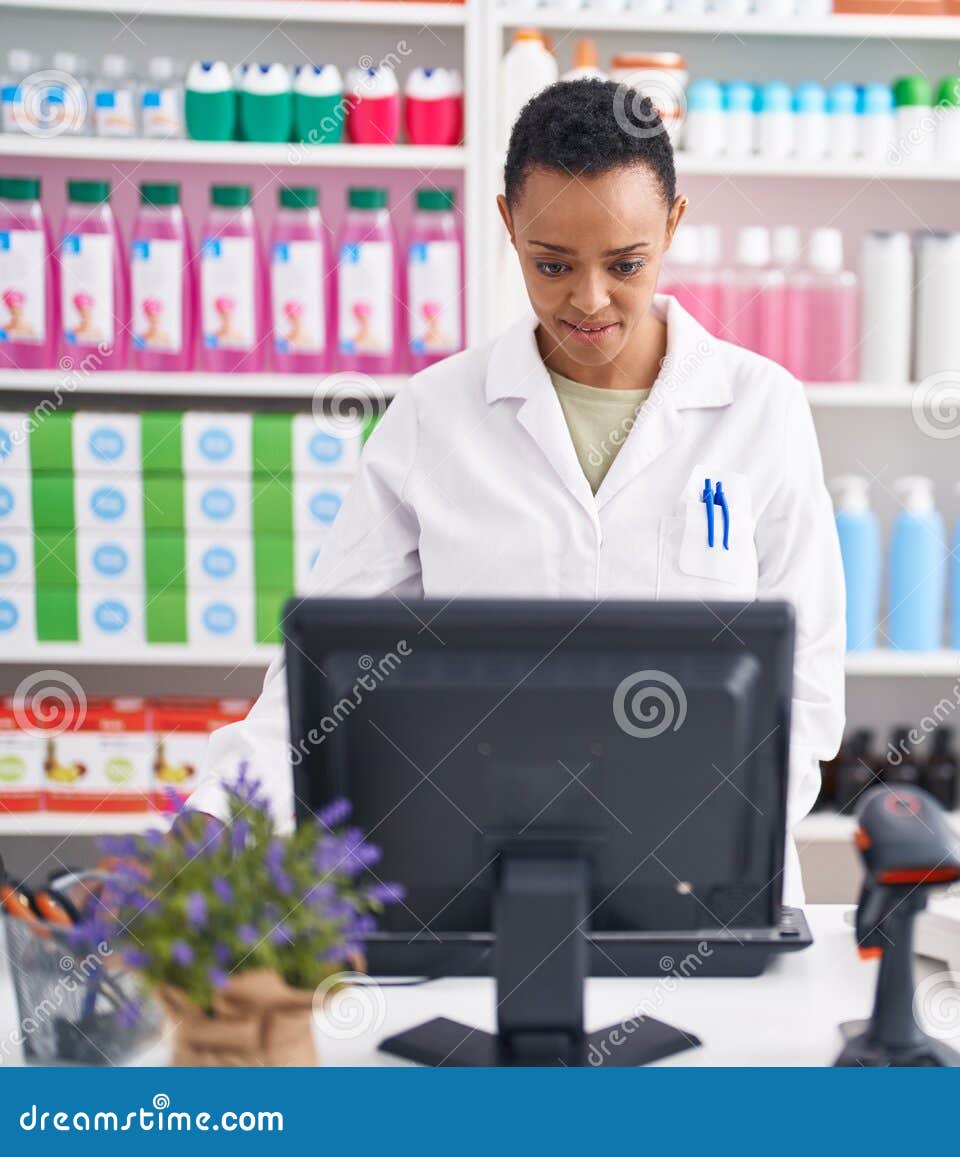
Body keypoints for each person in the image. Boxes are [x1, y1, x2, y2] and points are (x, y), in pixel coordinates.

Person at [196, 79, 846, 903]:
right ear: (508, 223)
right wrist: (216, 819)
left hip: (703, 885)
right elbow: (321, 676)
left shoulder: (762, 408)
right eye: (553, 263)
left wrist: (707, 828)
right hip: (477, 879)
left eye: (626, 264)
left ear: (673, 225)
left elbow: (806, 691)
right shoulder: (433, 414)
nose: (589, 299)